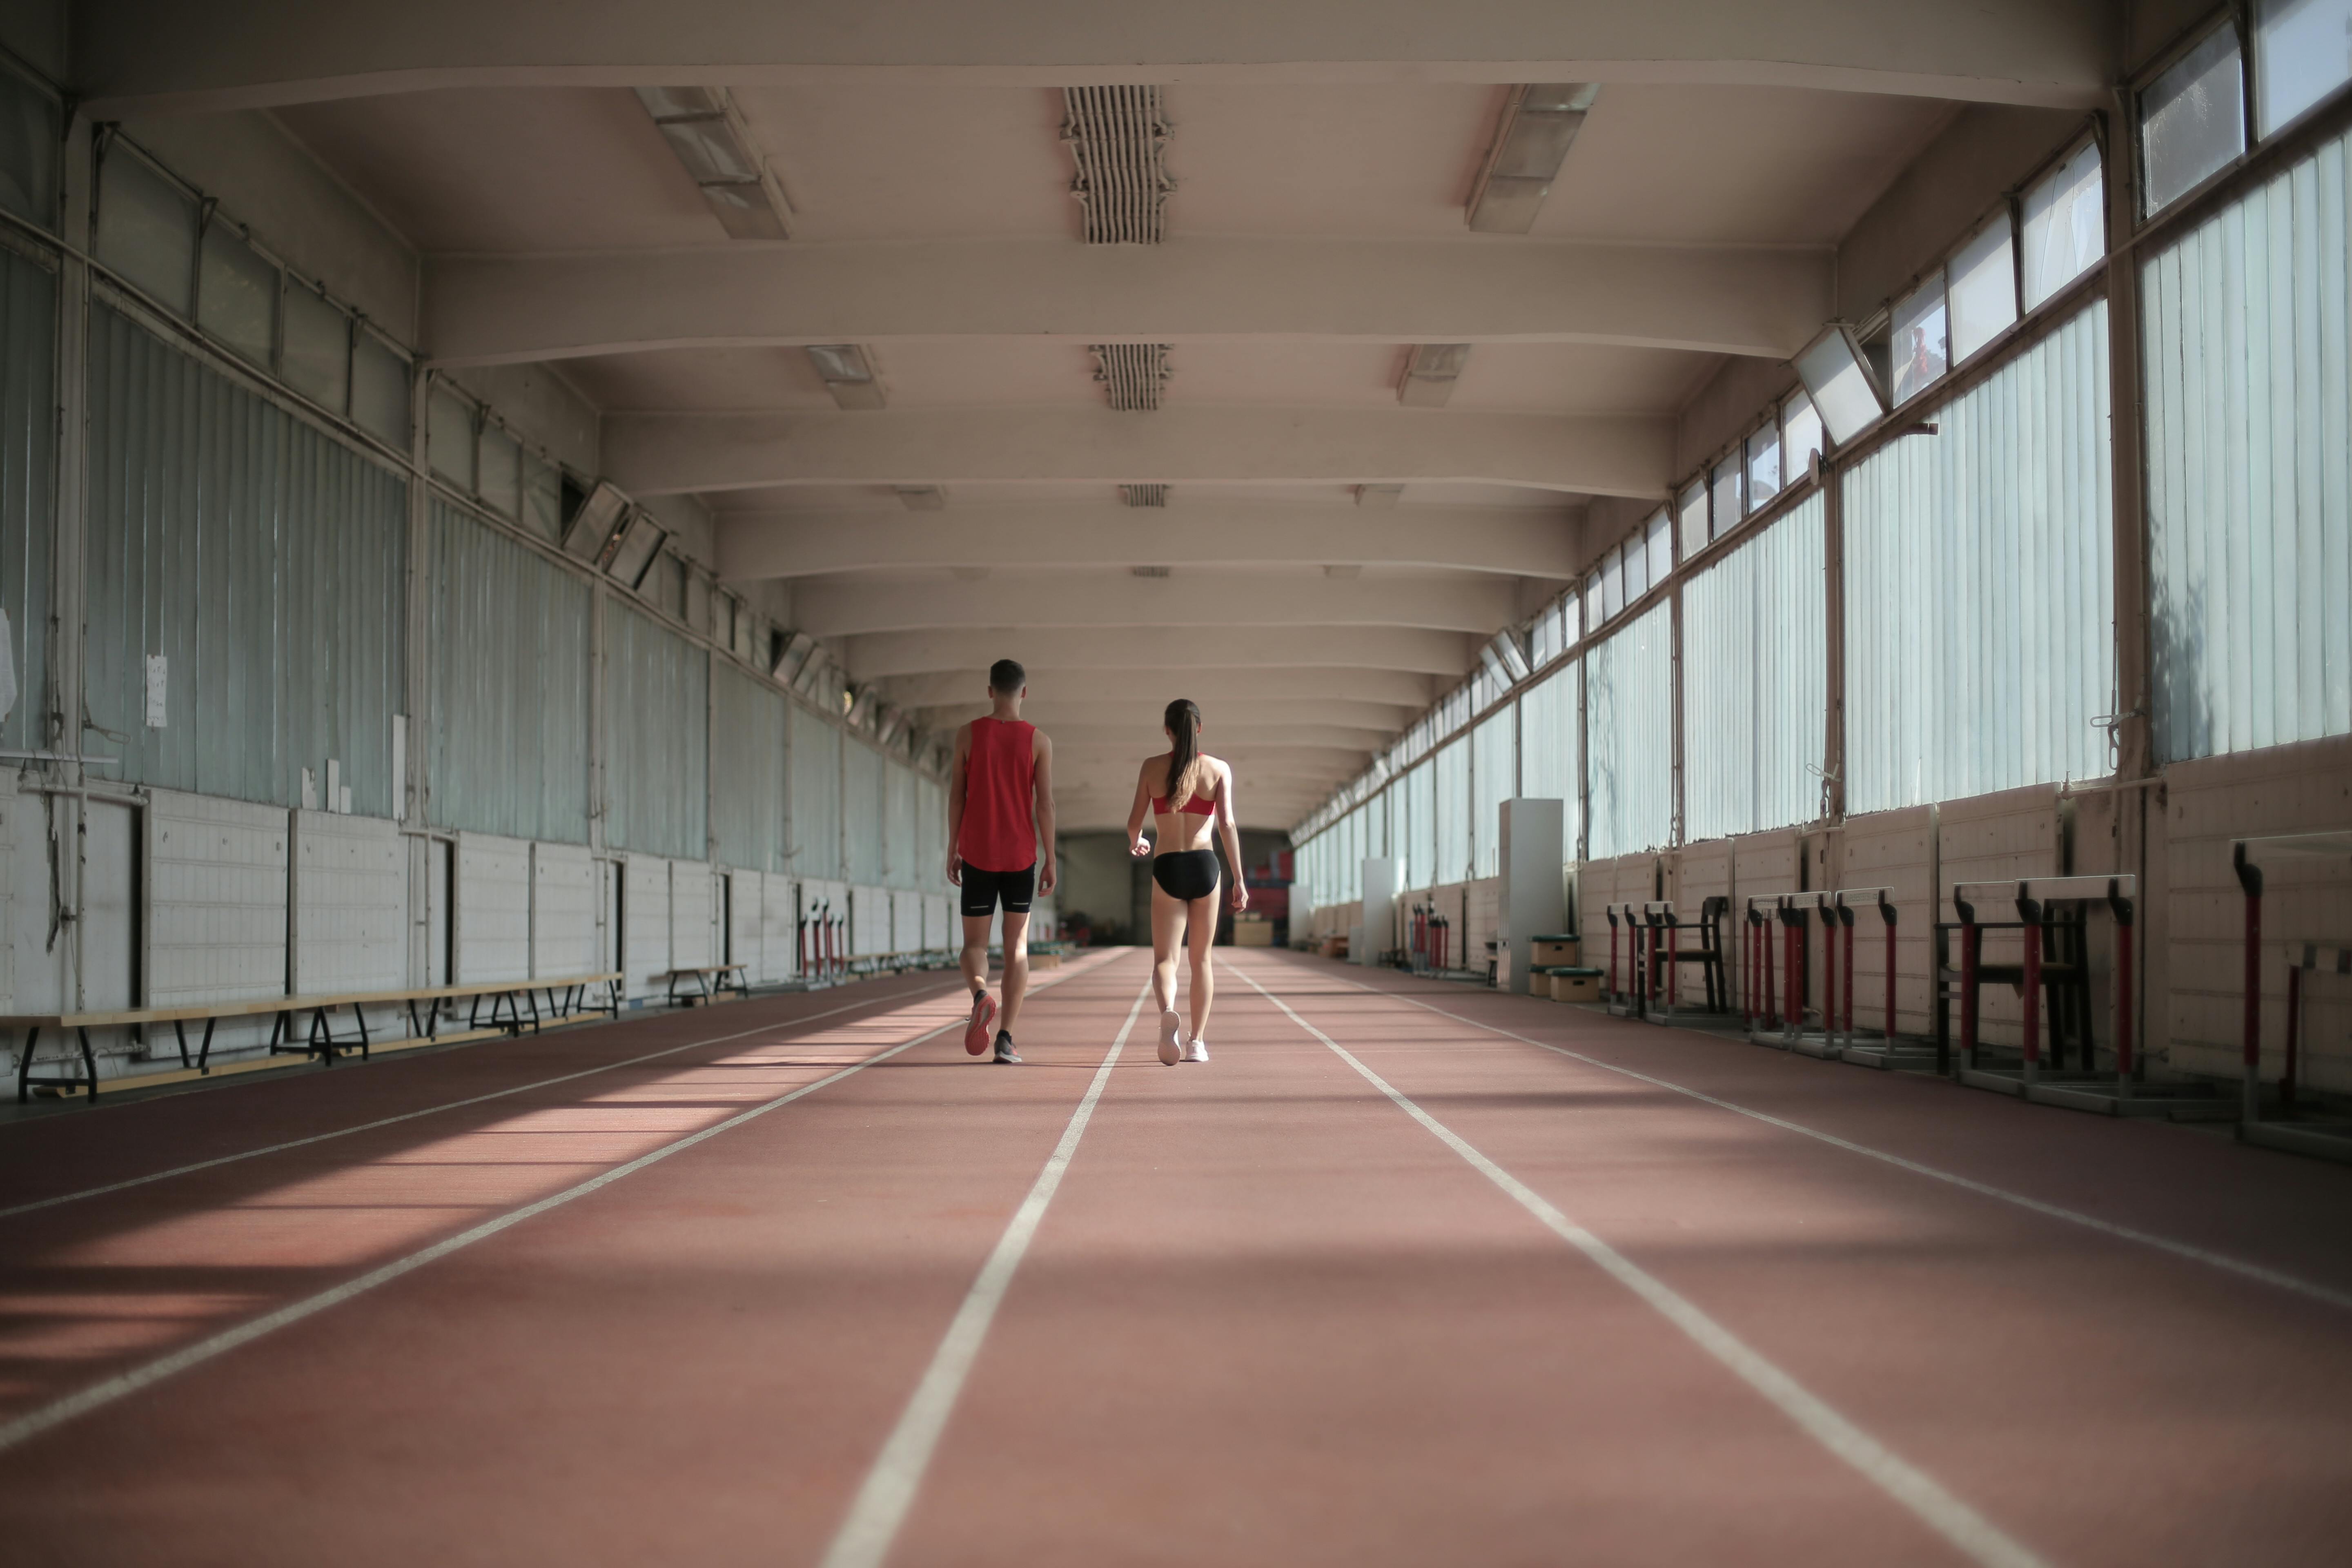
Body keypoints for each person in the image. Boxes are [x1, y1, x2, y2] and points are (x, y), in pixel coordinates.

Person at [946, 659, 1057, 1064]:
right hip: (1020, 856)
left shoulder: (967, 735)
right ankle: (1007, 1040)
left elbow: (957, 797)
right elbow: (1044, 803)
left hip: (977, 852)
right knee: (1018, 951)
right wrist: (1051, 859)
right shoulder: (1039, 741)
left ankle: (980, 993)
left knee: (974, 946)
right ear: (1024, 693)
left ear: (990, 691)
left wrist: (952, 848)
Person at [1125, 698, 1247, 1065]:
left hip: (1167, 866)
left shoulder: (1151, 768)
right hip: (1205, 866)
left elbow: (1134, 822)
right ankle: (1197, 1042)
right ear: (1198, 729)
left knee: (1166, 959)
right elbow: (1226, 825)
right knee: (1202, 960)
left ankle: (1168, 1012)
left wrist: (1137, 841)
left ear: (1167, 730)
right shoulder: (1218, 769)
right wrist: (1239, 880)